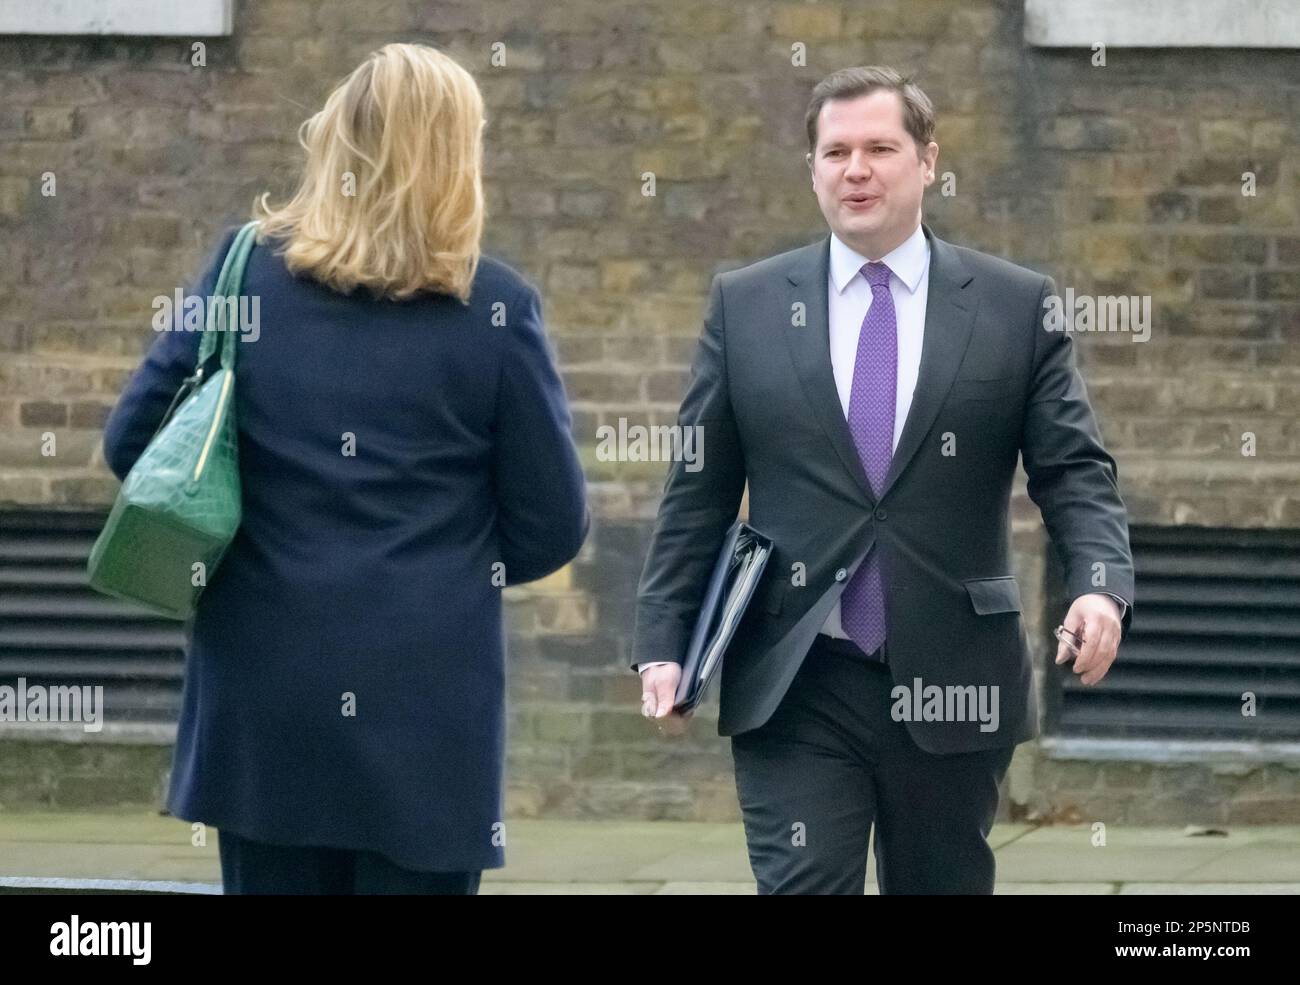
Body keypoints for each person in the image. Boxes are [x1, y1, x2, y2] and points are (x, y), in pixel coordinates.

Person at [632, 66, 1134, 894]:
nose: (855, 169)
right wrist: (663, 640)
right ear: (812, 169)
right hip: (798, 671)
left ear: (928, 161)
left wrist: (1101, 586)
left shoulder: (1014, 307)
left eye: (879, 148)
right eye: (835, 151)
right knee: (804, 881)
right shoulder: (747, 306)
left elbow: (1075, 471)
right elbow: (698, 490)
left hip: (953, 672)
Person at [102, 43, 587, 894]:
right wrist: (439, 560)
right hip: (427, 701)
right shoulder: (498, 309)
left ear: (335, 144)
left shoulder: (244, 271)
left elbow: (133, 445)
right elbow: (550, 524)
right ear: (454, 160)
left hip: (264, 688)